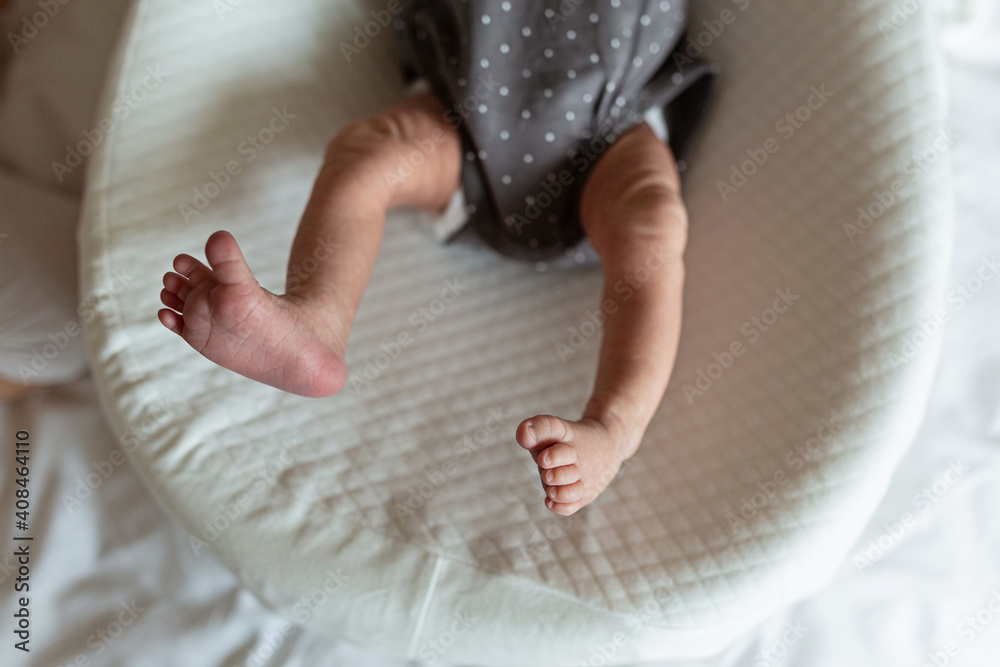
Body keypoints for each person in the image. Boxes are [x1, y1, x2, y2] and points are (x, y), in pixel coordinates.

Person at [158, 1, 714, 515]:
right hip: (465, 111)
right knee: (366, 156)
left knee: (653, 226)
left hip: (616, 122)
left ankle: (614, 428)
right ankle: (317, 318)